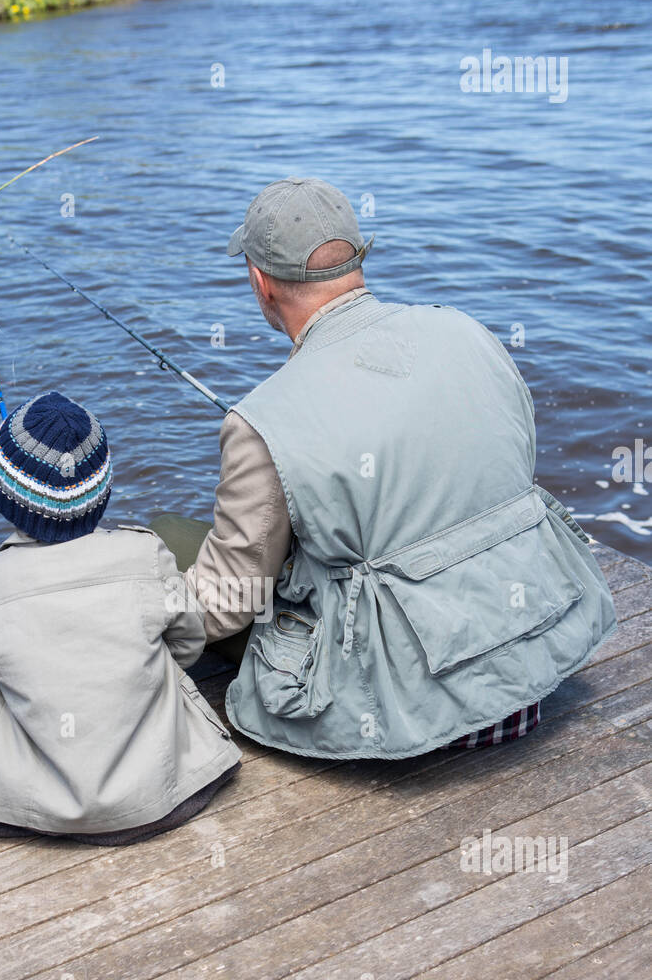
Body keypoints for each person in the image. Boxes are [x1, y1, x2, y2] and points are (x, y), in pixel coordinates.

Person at [153, 177, 616, 759]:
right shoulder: (468, 332)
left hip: (410, 711)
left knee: (169, 538)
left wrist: (130, 623)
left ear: (259, 282)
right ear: (356, 259)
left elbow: (229, 599)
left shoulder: (260, 422)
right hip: (533, 662)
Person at [0, 391, 241, 842]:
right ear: (102, 493)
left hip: (44, 806)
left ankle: (16, 760)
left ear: (3, 496)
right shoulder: (145, 553)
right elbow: (186, 644)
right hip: (167, 793)